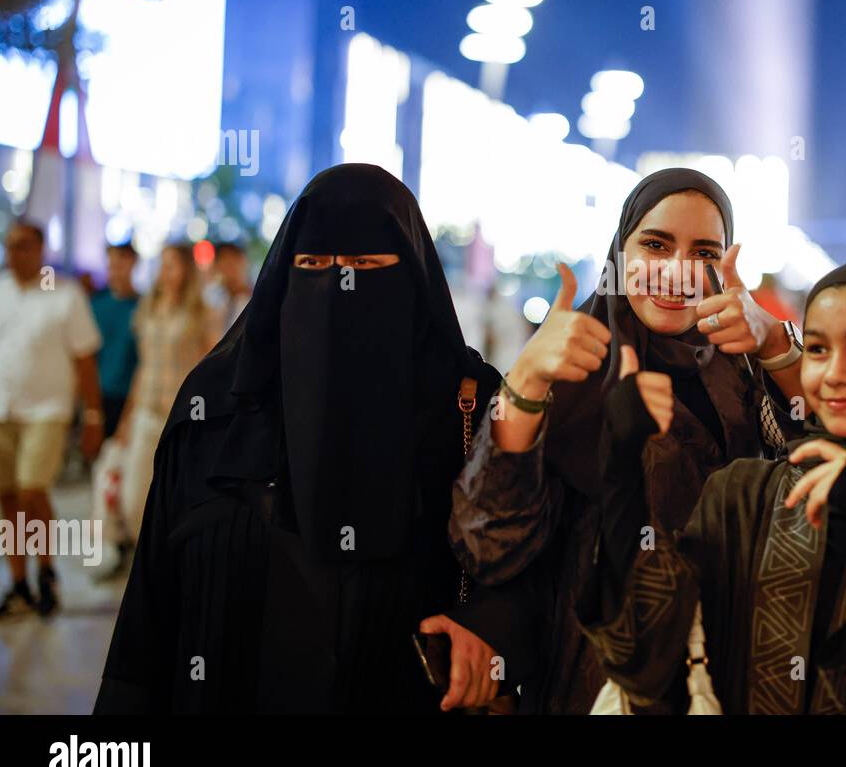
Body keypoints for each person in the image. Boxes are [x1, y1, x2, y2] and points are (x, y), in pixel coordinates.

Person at [94, 164, 531, 713]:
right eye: (312, 265)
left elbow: (525, 562)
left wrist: (492, 630)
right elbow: (151, 610)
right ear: (283, 275)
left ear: (413, 276)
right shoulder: (218, 408)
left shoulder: (465, 406)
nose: (337, 286)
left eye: (364, 266)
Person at [451, 167, 806, 713]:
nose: (677, 272)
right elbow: (489, 546)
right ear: (621, 252)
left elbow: (824, 475)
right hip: (600, 680)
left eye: (704, 253)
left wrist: (776, 342)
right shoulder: (569, 365)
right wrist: (526, 381)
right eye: (656, 245)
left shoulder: (742, 370)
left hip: (735, 669)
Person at [577, 260, 846, 713]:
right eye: (817, 349)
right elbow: (645, 652)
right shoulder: (744, 494)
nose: (834, 373)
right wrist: (621, 459)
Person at [0, 220, 104, 616]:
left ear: (41, 250)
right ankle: (19, 581)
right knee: (8, 497)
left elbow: (85, 359)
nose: (15, 253)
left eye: (24, 246)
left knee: (31, 489)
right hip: (4, 409)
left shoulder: (64, 294)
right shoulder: (2, 290)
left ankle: (45, 568)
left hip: (48, 410)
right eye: (10, 245)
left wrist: (92, 415)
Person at [112, 244, 220, 546]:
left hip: (182, 415)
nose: (165, 271)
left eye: (172, 265)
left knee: (178, 494)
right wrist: (126, 419)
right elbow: (143, 367)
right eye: (162, 264)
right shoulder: (148, 309)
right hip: (146, 410)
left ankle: (173, 559)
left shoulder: (201, 312)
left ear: (186, 269)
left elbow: (211, 368)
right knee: (133, 498)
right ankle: (148, 553)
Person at [90, 242, 140, 440]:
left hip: (129, 396)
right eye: (112, 264)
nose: (116, 270)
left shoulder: (143, 308)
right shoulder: (95, 305)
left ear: (133, 264)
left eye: (122, 264)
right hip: (97, 394)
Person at [208, 241, 252, 334]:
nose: (230, 270)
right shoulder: (215, 301)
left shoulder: (257, 299)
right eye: (225, 263)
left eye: (234, 262)